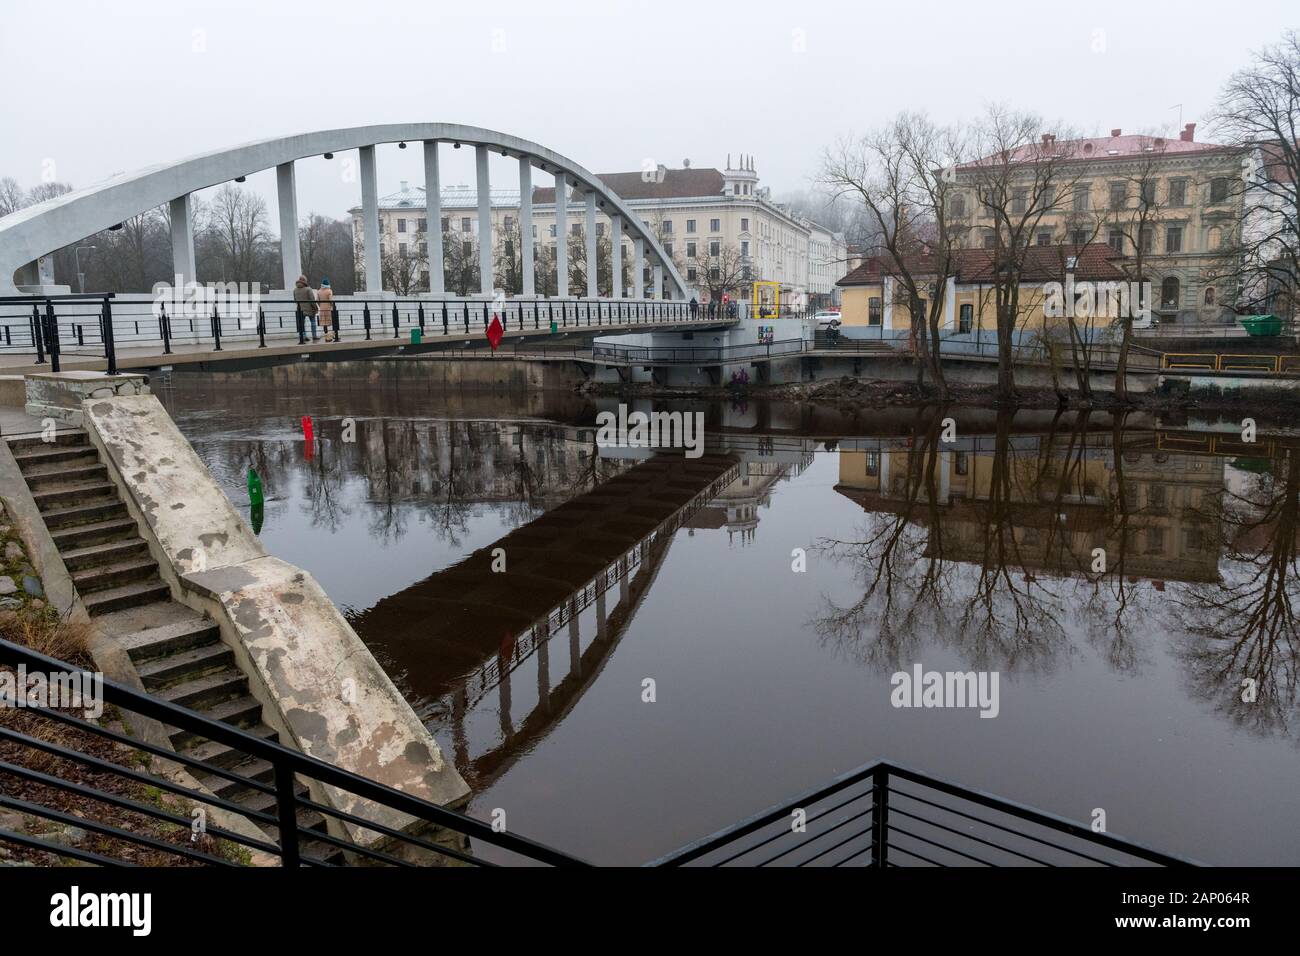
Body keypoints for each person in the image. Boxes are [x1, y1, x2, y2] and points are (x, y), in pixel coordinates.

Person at [293, 274, 319, 340]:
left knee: (302, 324)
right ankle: (314, 336)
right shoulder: (308, 289)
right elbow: (312, 299)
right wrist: (315, 307)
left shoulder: (295, 290)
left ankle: (304, 336)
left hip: (300, 309)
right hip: (310, 309)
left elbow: (295, 300)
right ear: (305, 281)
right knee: (313, 322)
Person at [317, 277, 336, 342]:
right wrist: (332, 306)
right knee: (332, 321)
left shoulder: (319, 291)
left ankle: (327, 336)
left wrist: (321, 306)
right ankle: (333, 334)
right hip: (328, 308)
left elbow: (317, 300)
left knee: (324, 322)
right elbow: (330, 300)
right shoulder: (329, 291)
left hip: (322, 309)